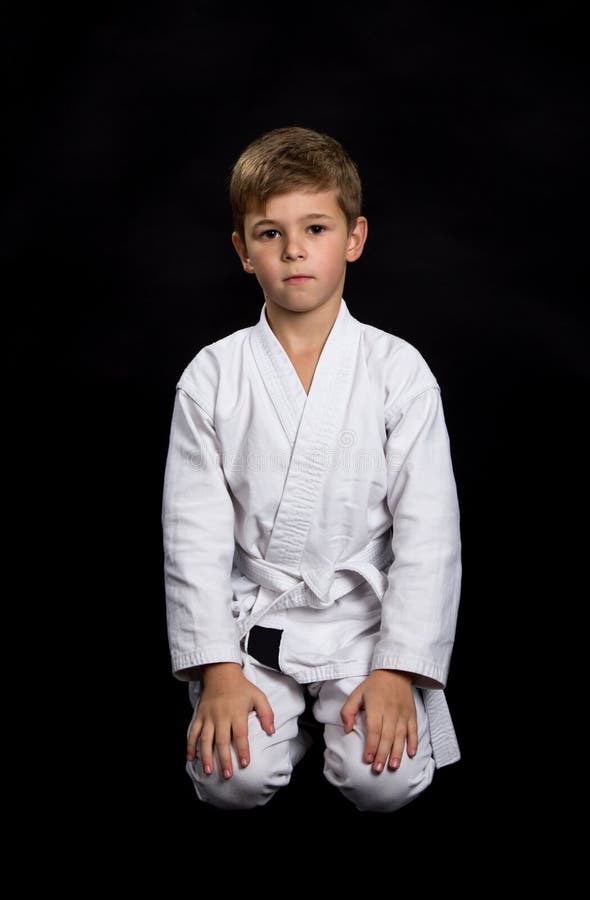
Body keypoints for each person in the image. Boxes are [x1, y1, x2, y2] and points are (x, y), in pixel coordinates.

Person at [162, 125, 462, 813]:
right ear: (243, 252)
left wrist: (397, 668)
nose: (293, 249)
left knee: (384, 782)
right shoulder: (213, 376)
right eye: (269, 233)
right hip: (254, 626)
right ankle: (271, 709)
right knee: (228, 780)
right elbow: (193, 539)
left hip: (364, 622)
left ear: (354, 238)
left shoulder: (398, 371)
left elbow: (430, 538)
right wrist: (217, 669)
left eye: (316, 227)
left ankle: (354, 698)